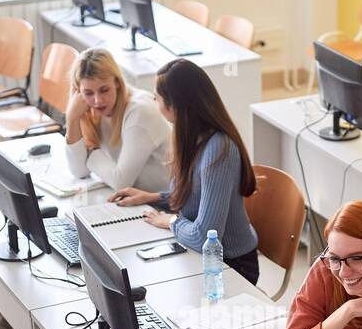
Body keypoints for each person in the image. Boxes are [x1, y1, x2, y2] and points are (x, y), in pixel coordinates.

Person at [107, 59, 260, 284]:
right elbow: (196, 196)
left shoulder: (219, 150)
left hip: (232, 266)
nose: (153, 100)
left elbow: (205, 237)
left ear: (174, 106)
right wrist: (153, 198)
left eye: (156, 97)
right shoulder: (189, 135)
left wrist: (169, 221)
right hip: (205, 259)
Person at [64, 48, 171, 191]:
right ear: (78, 92)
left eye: (104, 90)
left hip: (162, 205)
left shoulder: (140, 112)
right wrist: (72, 118)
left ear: (117, 83)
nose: (97, 101)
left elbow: (121, 182)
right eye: (88, 93)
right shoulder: (92, 111)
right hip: (135, 200)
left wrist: (90, 151)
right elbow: (79, 171)